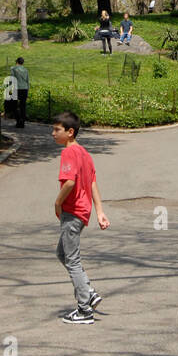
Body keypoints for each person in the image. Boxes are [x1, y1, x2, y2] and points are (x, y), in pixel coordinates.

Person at [51, 112, 109, 324]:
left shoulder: (69, 153)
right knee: (62, 253)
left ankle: (84, 309)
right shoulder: (85, 154)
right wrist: (100, 212)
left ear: (70, 132)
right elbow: (92, 183)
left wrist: (57, 203)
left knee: (72, 259)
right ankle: (89, 292)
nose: (53, 134)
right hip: (82, 212)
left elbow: (69, 183)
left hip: (72, 211)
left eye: (57, 130)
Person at [10, 56, 30, 128]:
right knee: (23, 106)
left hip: (16, 88)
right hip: (25, 88)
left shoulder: (13, 69)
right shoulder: (26, 70)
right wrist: (28, 89)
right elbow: (28, 80)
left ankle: (18, 120)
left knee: (13, 105)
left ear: (16, 62)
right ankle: (22, 122)